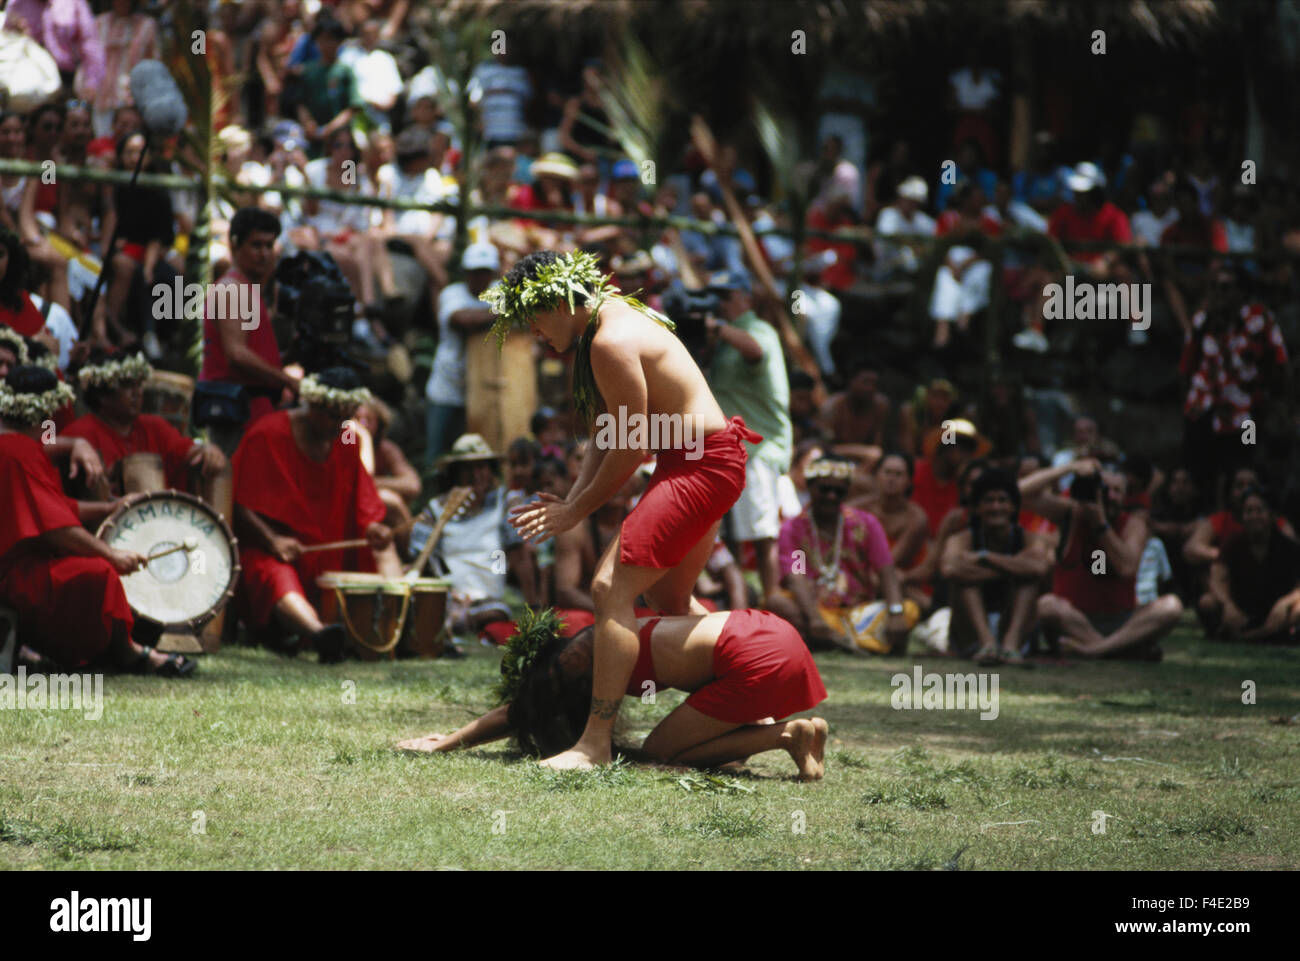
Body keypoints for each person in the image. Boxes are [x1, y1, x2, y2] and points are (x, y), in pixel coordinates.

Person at [486, 249, 755, 770]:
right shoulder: (605, 323)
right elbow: (604, 432)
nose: (535, 334)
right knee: (672, 599)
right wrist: (573, 501)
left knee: (610, 589)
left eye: (535, 320)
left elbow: (630, 448)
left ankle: (594, 743)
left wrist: (576, 511)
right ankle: (759, 711)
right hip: (699, 459)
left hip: (700, 464)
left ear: (562, 300)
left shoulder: (609, 340)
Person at [397, 607, 830, 780]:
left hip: (753, 656)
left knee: (663, 751)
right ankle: (788, 737)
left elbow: (521, 711)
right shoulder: (614, 628)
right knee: (711, 747)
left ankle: (784, 736)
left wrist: (448, 743)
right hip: (772, 631)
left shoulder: (584, 653)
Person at [0, 365, 193, 676]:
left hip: (16, 565)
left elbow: (52, 507)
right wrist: (112, 555)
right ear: (44, 410)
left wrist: (108, 508)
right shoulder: (18, 451)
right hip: (12, 574)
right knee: (98, 572)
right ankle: (129, 653)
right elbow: (56, 528)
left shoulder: (17, 447)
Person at [231, 368, 398, 661]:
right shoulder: (268, 433)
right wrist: (273, 541)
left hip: (326, 557)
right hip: (274, 551)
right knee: (274, 573)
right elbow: (237, 501)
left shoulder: (347, 439)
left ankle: (393, 630)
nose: (340, 425)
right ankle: (319, 633)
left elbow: (362, 499)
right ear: (312, 406)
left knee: (378, 553)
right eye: (333, 416)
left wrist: (374, 528)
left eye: (345, 418)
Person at [1023, 459, 1184, 660]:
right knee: (1047, 604)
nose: (1111, 496)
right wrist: (1069, 468)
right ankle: (1120, 649)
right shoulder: (1071, 514)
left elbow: (1126, 568)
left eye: (1118, 491)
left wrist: (1100, 523)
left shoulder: (1134, 524)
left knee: (1171, 606)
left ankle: (1096, 649)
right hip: (1074, 619)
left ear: (1125, 497)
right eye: (1105, 489)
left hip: (1122, 620)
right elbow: (1020, 493)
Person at [704, 269, 792, 604]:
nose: (720, 303)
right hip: (729, 450)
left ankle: (771, 598)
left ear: (745, 298)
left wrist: (718, 328)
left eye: (726, 296)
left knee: (761, 532)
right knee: (732, 532)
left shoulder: (758, 329)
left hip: (758, 447)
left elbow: (754, 351)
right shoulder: (725, 338)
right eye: (717, 297)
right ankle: (741, 602)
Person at [768, 457, 915, 654]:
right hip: (814, 610)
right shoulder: (795, 528)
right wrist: (815, 618)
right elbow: (797, 576)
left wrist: (896, 612)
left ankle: (831, 641)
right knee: (777, 602)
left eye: (839, 491)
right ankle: (850, 641)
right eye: (825, 489)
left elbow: (886, 569)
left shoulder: (865, 523)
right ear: (810, 488)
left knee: (909, 609)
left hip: (857, 613)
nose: (831, 496)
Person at [408, 433, 541, 639]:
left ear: (490, 470)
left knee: (496, 611)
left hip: (488, 600)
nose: (476, 475)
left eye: (482, 467)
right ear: (455, 473)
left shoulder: (506, 502)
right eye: (468, 468)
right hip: (446, 595)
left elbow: (520, 554)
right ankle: (451, 618)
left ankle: (457, 622)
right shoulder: (435, 509)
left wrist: (533, 607)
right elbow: (420, 558)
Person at [199, 207, 299, 455]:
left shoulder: (249, 288)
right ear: (235, 245)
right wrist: (287, 379)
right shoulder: (232, 288)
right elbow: (236, 354)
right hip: (235, 411)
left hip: (255, 408)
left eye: (269, 245)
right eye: (256, 245)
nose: (264, 254)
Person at [63, 349, 225, 496]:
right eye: (127, 385)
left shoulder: (155, 426)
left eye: (139, 385)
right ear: (102, 396)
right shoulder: (79, 432)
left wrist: (207, 450)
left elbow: (187, 451)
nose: (137, 393)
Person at [940, 469, 1052, 664]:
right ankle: (987, 644)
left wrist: (985, 557)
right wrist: (1013, 566)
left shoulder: (1030, 539)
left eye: (1002, 500)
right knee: (965, 580)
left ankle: (1011, 646)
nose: (996, 507)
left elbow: (1040, 569)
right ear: (976, 508)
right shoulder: (961, 539)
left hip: (1014, 622)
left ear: (1013, 507)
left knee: (1028, 580)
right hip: (970, 632)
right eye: (988, 500)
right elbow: (950, 569)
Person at [424, 242, 500, 468]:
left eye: (485, 271)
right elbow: (463, 321)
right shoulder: (452, 294)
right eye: (475, 271)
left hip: (482, 392)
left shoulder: (500, 292)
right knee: (437, 457)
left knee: (475, 458)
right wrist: (503, 311)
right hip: (447, 390)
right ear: (466, 272)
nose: (480, 277)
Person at [1202, 487, 1300, 643]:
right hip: (1241, 610)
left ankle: (1251, 636)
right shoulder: (1232, 543)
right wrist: (1228, 605)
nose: (1254, 516)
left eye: (1260, 510)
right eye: (1248, 511)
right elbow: (1216, 579)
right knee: (1208, 603)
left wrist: (1285, 602)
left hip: (1275, 611)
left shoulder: (1288, 546)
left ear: (1272, 515)